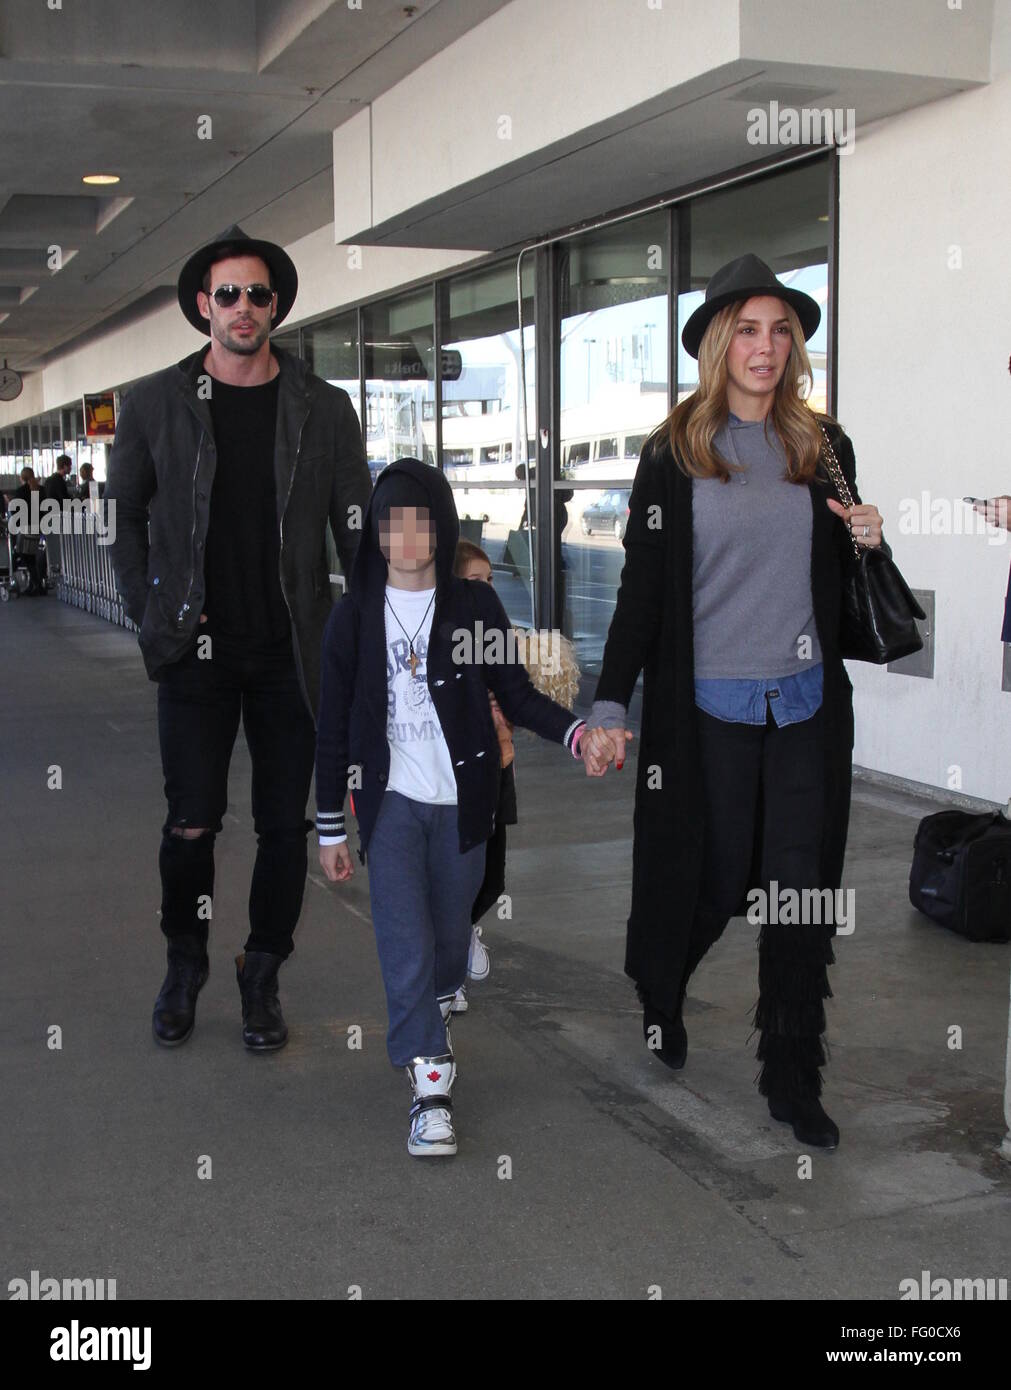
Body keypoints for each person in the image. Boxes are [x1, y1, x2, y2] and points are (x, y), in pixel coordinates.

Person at [582, 253, 885, 1150]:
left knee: (799, 896)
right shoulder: (672, 455)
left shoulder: (821, 446)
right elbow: (642, 594)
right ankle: (661, 990)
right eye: (748, 330)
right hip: (703, 712)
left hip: (802, 710)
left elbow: (845, 580)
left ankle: (793, 1078)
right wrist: (608, 705)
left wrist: (868, 536)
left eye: (780, 330)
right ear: (719, 343)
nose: (766, 346)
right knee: (709, 883)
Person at [107, 223, 372, 1052]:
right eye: (229, 294)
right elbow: (124, 521)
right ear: (202, 306)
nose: (244, 307)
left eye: (259, 294)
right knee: (190, 823)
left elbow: (356, 533)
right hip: (195, 652)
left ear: (275, 307)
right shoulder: (154, 402)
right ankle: (184, 961)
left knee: (283, 827)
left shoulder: (323, 410)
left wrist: (366, 640)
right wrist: (151, 619)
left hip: (291, 654)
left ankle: (262, 972)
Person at [315, 458, 588, 1158]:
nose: (405, 537)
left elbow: (518, 694)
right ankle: (430, 1087)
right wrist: (329, 827)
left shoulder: (472, 608)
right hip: (392, 805)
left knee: (443, 943)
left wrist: (576, 732)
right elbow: (333, 727)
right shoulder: (352, 617)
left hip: (465, 803)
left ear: (440, 527)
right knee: (402, 941)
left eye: (420, 521)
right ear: (376, 533)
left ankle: (439, 994)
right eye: (391, 523)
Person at [449, 538, 515, 1012]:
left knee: (493, 878)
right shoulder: (443, 638)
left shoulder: (499, 636)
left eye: (491, 580)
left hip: (499, 768)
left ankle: (465, 927)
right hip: (457, 778)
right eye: (475, 581)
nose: (486, 590)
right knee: (457, 873)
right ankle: (447, 973)